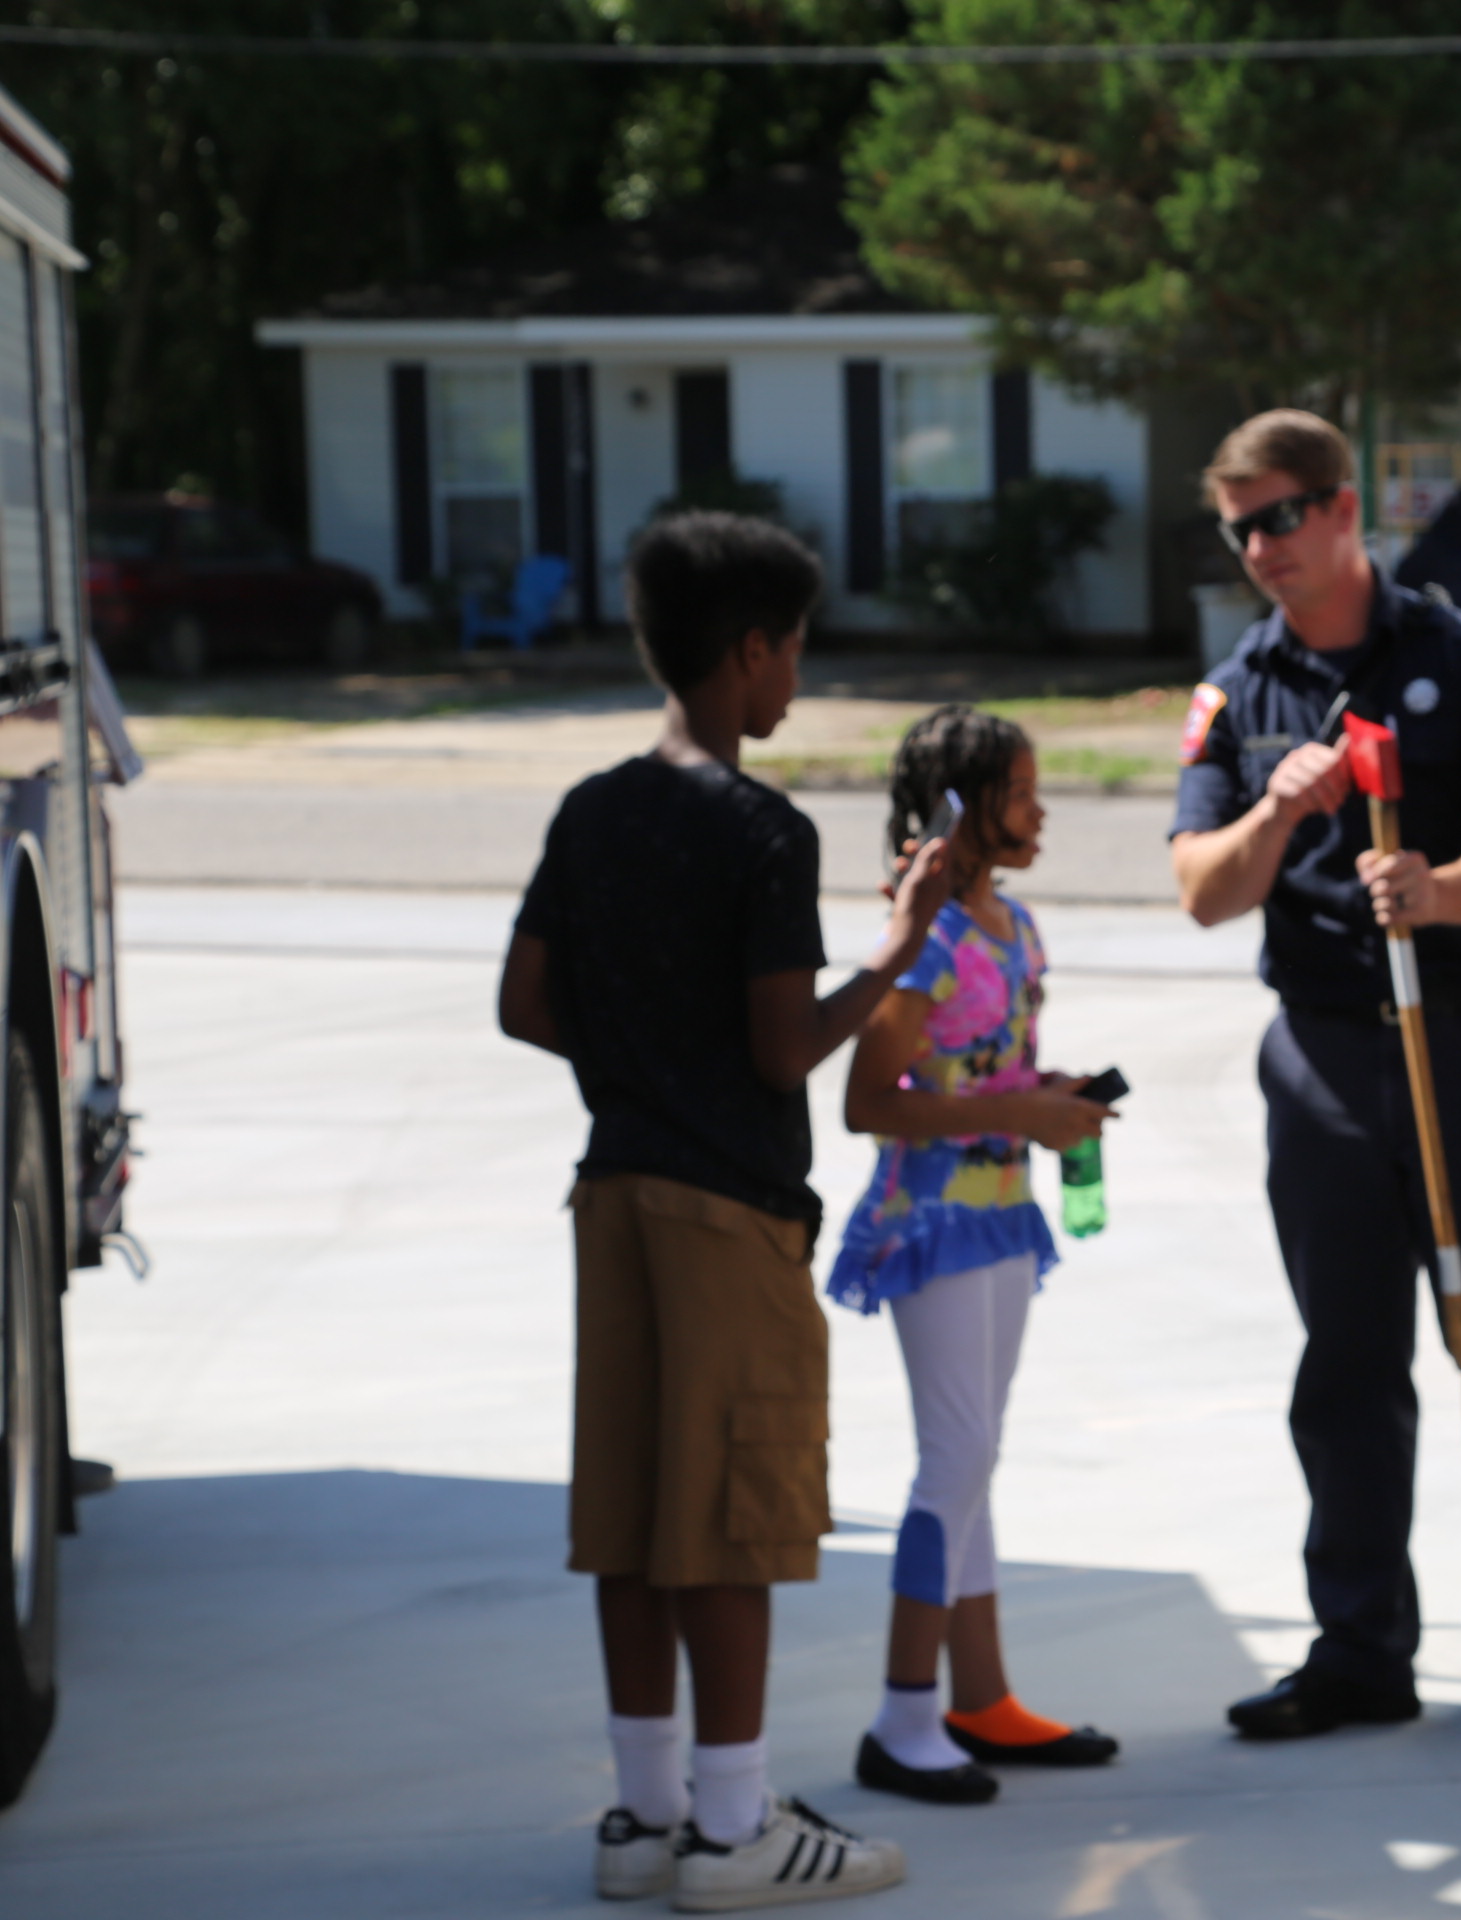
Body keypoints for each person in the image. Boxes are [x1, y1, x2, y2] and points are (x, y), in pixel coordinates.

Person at [497, 511, 940, 1910]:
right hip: (728, 1211)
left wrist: (643, 1060)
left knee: (633, 1515)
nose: (797, 677)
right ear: (750, 649)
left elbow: (524, 1003)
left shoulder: (593, 808)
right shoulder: (763, 829)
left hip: (613, 1193)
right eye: (793, 651)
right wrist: (896, 949)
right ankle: (737, 1825)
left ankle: (645, 1817)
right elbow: (780, 1049)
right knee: (736, 1515)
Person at [1169, 410, 1461, 1737]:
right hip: (1327, 1058)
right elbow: (1201, 890)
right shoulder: (1240, 692)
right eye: (1240, 530)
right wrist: (1279, 808)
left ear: (1345, 509)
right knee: (1348, 1360)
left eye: (1281, 517)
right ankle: (1360, 1649)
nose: (1261, 549)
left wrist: (1438, 889)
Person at [826, 707, 1122, 1805]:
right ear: (960, 808)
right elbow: (869, 1102)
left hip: (1002, 1216)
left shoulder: (1016, 926)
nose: (1041, 811)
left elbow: (986, 1070)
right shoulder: (930, 939)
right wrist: (1019, 1114)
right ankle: (903, 1719)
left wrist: (1049, 1098)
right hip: (933, 1222)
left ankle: (980, 1701)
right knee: (954, 1459)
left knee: (974, 1457)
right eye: (1022, 793)